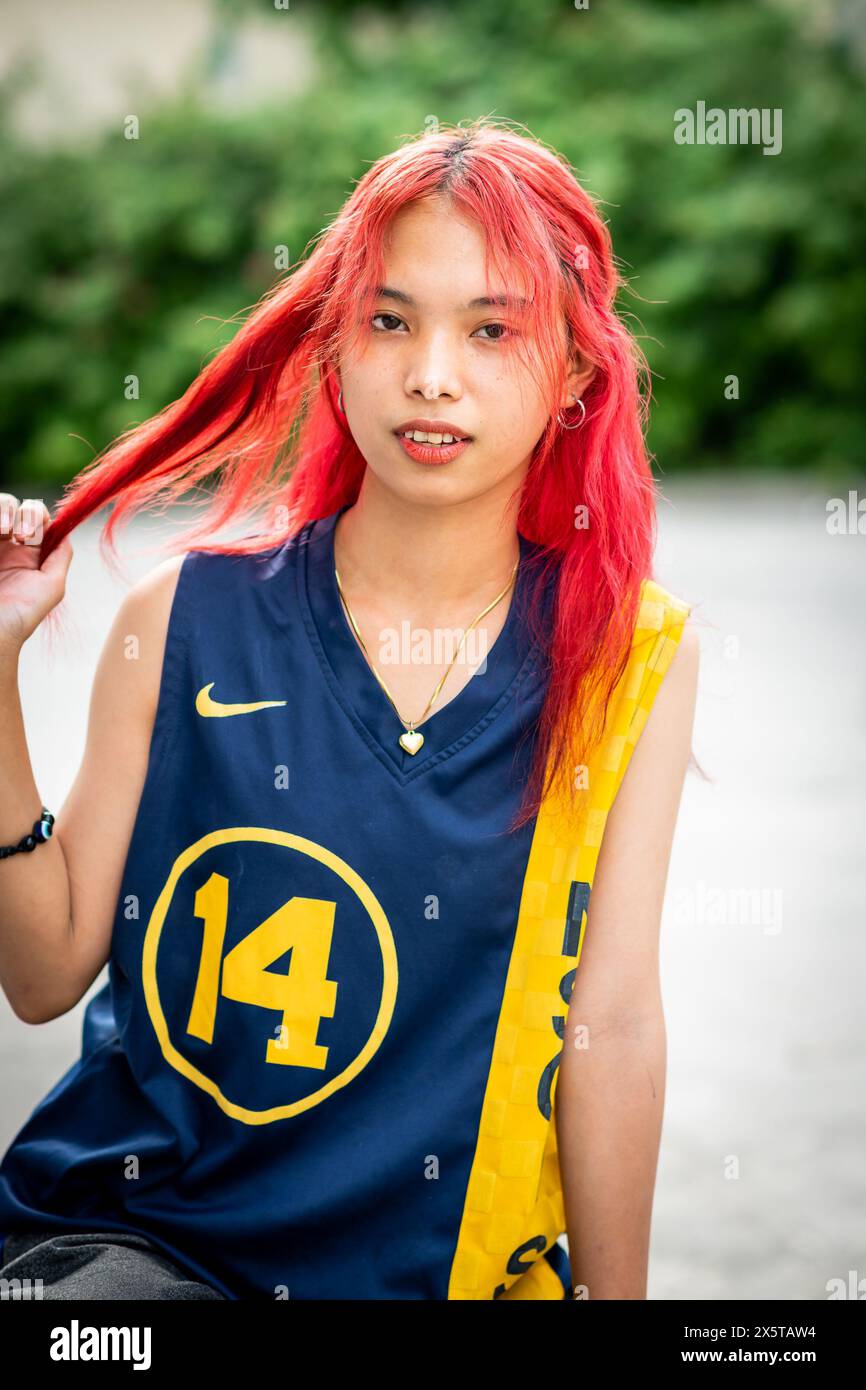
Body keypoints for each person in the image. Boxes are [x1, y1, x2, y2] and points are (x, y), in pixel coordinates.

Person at [0, 117, 698, 1301]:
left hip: (446, 1274)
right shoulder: (183, 617)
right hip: (150, 1251)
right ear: (334, 344)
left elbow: (612, 1021)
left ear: (576, 369)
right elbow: (43, 967)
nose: (432, 372)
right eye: (390, 320)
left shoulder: (623, 653)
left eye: (491, 329)